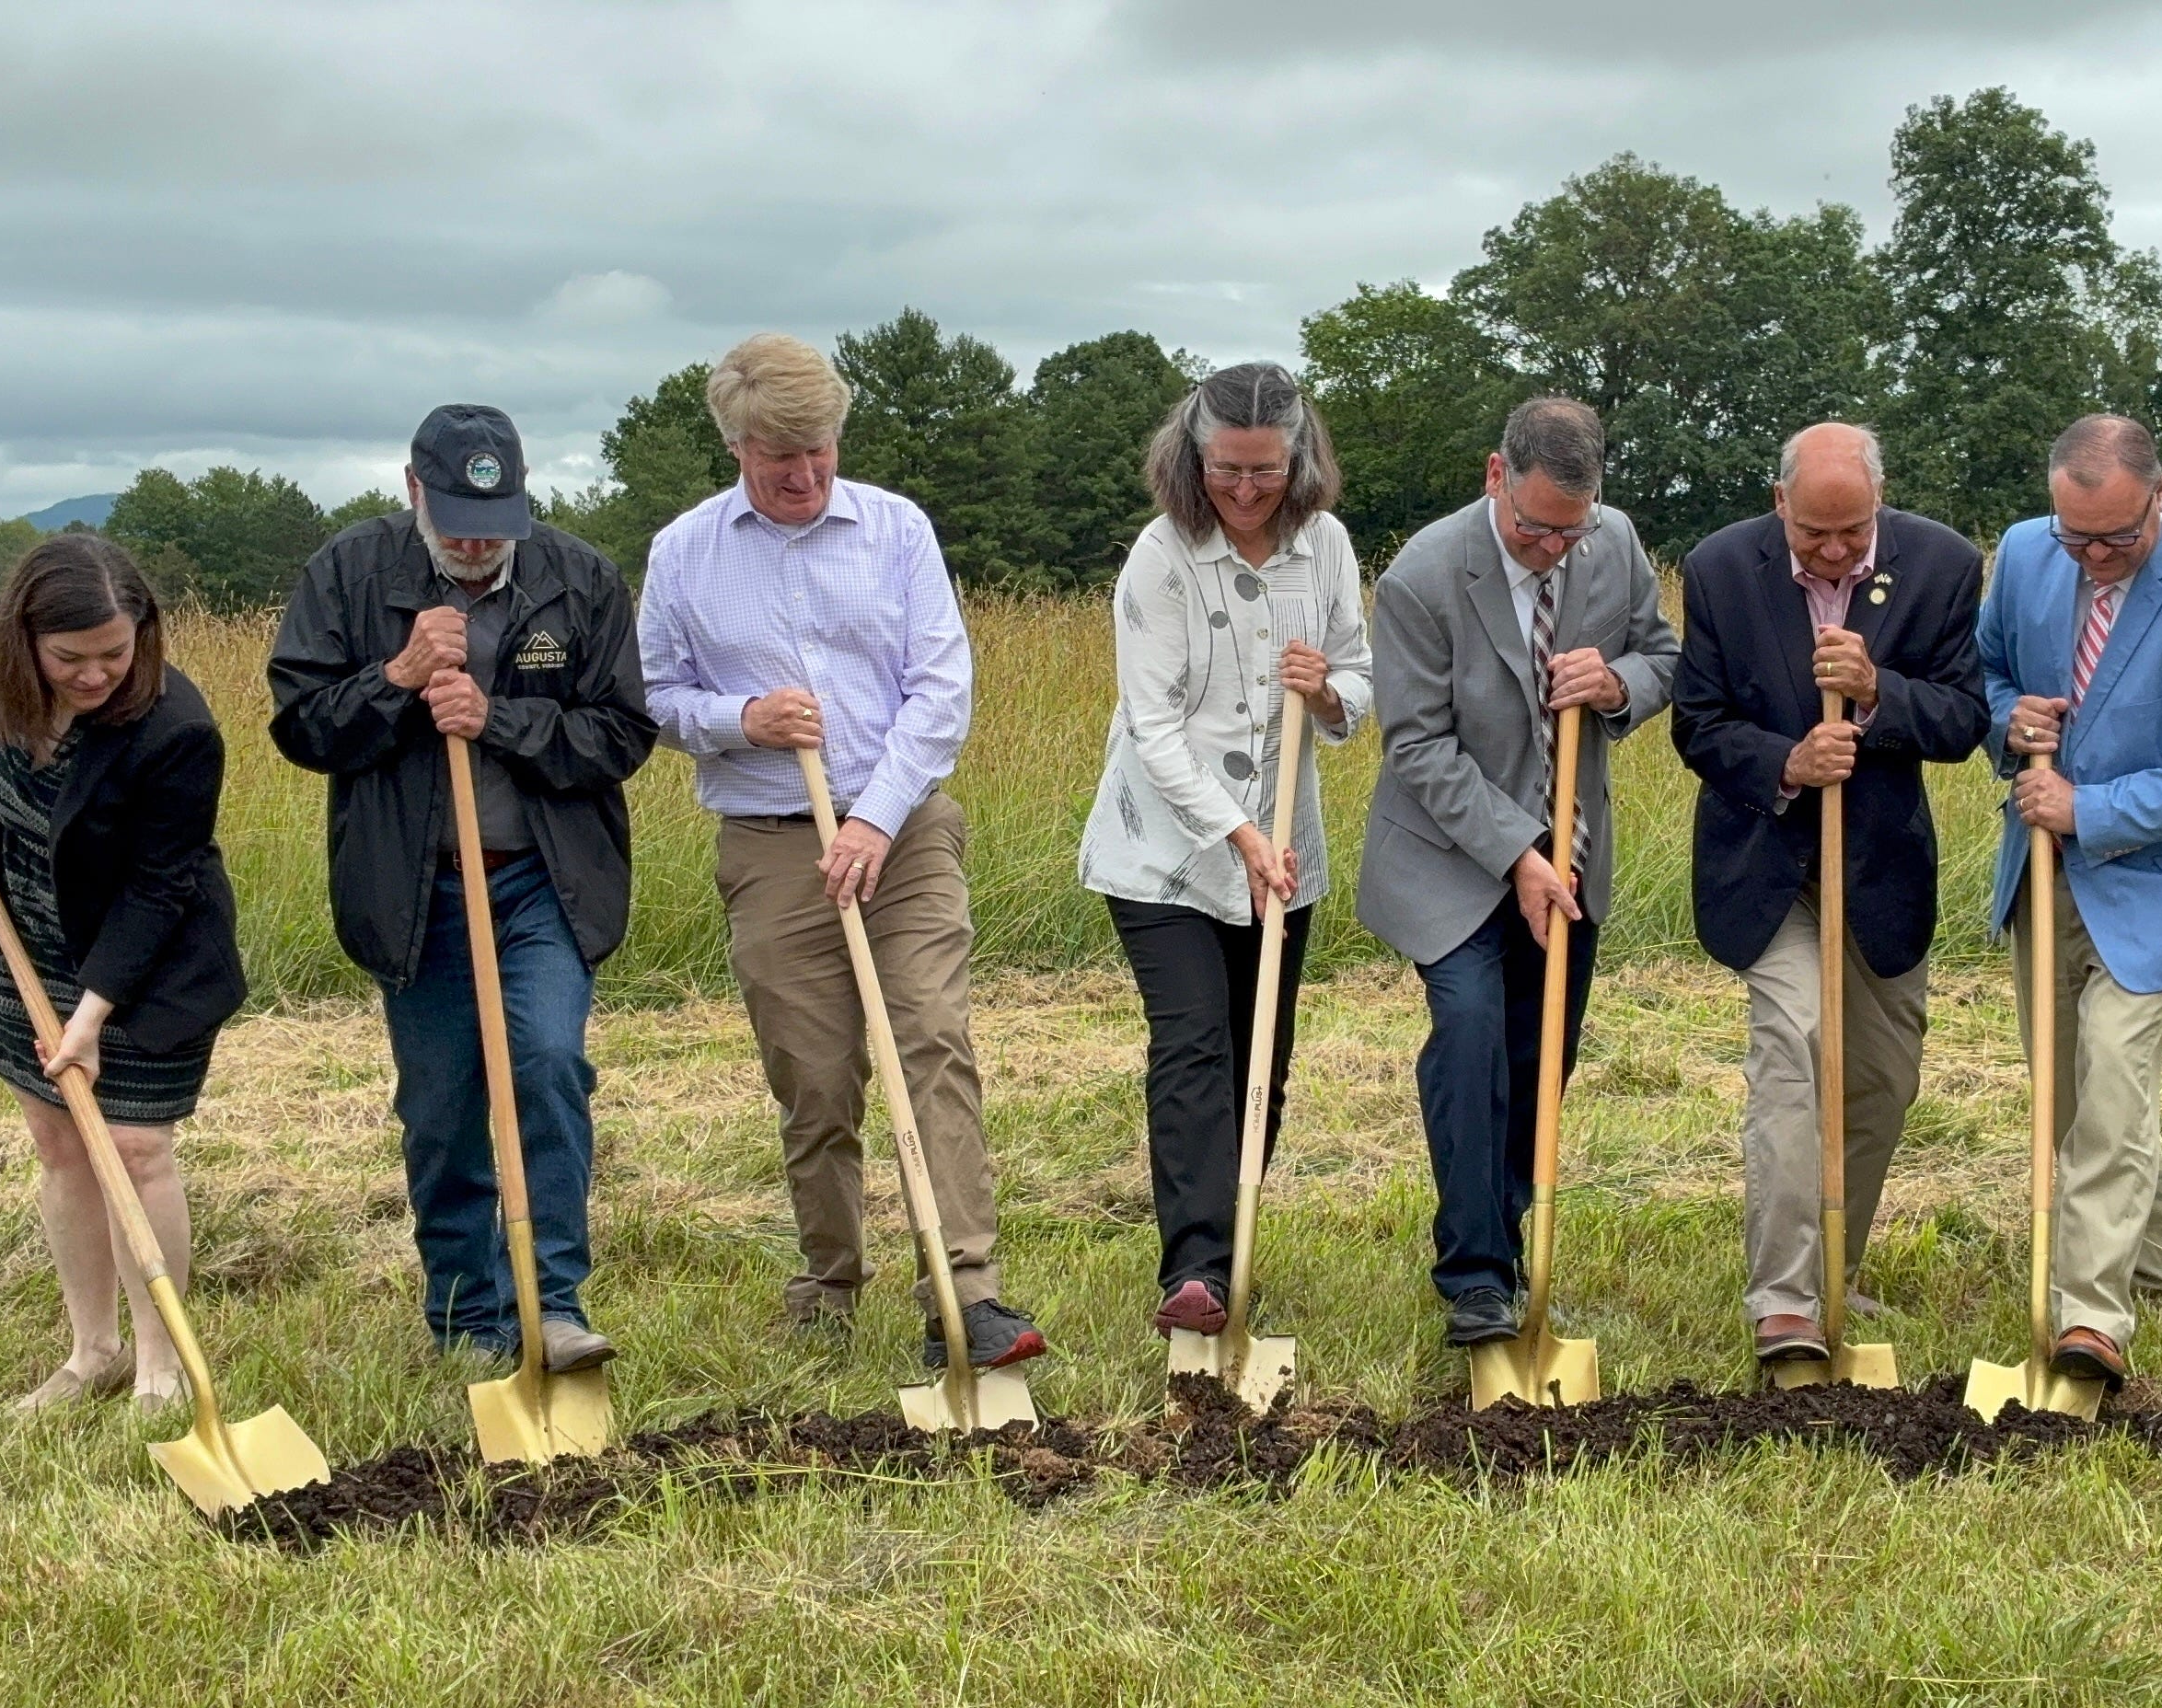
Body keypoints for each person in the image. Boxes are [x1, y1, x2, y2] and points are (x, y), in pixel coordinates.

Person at [639, 332, 1047, 1372]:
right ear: (735, 443)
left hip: (901, 828)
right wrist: (741, 717)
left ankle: (966, 1291)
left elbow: (941, 686)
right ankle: (828, 1277)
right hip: (773, 842)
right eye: (781, 454)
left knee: (929, 1041)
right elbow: (654, 697)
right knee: (815, 1077)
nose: (805, 472)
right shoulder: (684, 551)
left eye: (819, 448)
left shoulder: (897, 529)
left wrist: (875, 818)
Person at [268, 404, 654, 1371]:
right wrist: (395, 676)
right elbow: (301, 728)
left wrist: (498, 718)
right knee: (441, 1108)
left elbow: (621, 735)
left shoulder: (581, 579)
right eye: (456, 517)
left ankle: (550, 1302)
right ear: (412, 492)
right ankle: (462, 1318)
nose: (479, 540)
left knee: (547, 1065)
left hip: (542, 885)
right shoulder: (350, 574)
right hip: (414, 892)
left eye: (498, 516)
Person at [0, 536, 246, 1410]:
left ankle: (161, 1367)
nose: (96, 676)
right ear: (23, 642)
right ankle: (95, 1353)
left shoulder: (177, 730)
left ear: (144, 633)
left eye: (116, 653)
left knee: (133, 1146)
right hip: (24, 936)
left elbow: (160, 889)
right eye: (71, 659)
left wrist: (91, 1015)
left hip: (149, 957)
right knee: (59, 1142)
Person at [1357, 395, 1680, 1347]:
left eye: (1568, 531)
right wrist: (1517, 853)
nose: (1552, 548)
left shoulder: (1612, 541)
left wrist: (1618, 683)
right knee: (1470, 1032)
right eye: (1535, 528)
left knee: (1543, 1057)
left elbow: (1664, 655)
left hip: (1573, 851)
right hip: (1450, 858)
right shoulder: (1421, 576)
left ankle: (1504, 1227)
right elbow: (1417, 745)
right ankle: (1475, 1275)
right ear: (1496, 476)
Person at [1671, 422, 1986, 1364]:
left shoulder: (1942, 564)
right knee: (1793, 1046)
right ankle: (1785, 1303)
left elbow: (1966, 716)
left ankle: (1831, 1270)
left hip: (1881, 869)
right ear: (1781, 505)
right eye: (1816, 533)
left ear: (1878, 505)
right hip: (1766, 867)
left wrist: (1881, 690)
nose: (1838, 550)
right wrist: (1790, 761)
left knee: (1884, 1079)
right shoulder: (1723, 568)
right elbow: (1698, 722)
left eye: (1854, 531)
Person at [1976, 413, 2162, 1386]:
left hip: (2155, 887)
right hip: (2038, 873)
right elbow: (1984, 672)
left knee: (2112, 1078)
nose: (2096, 558)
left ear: (2160, 493)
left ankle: (2090, 1317)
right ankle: (2154, 1257)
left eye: (2118, 537)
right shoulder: (2026, 553)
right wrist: (2006, 715)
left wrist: (2088, 806)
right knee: (2072, 1091)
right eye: (2079, 538)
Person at [1078, 364, 1374, 1336]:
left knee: (1263, 1055)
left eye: (1264, 470)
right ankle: (1195, 1269)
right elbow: (1152, 727)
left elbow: (1359, 683)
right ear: (1191, 455)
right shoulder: (1161, 557)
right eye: (1225, 469)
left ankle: (1236, 1225)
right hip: (1164, 848)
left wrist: (1328, 690)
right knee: (1195, 1041)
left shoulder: (1324, 544)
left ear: (1299, 458)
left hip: (1286, 846)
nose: (1244, 490)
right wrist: (1236, 832)